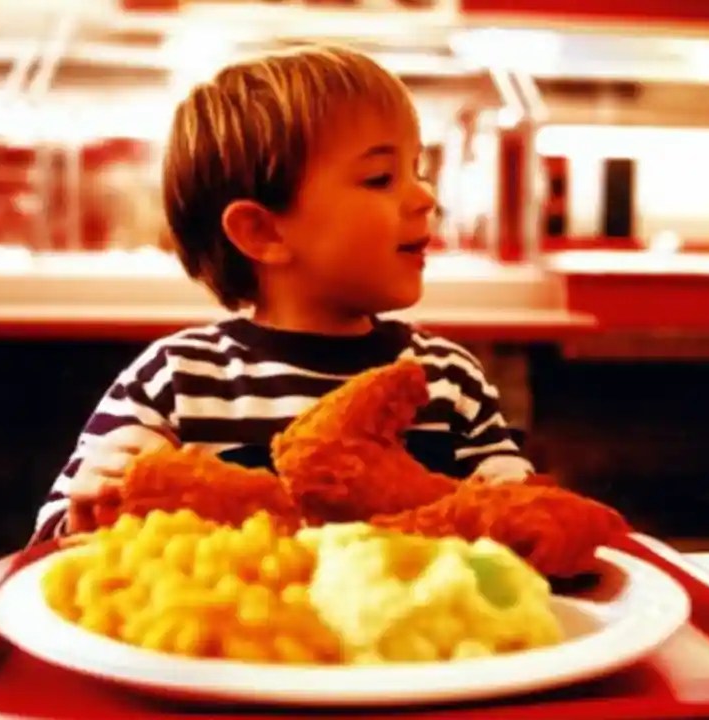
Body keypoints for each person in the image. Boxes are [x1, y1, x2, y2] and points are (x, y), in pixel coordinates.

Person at [35, 45, 533, 538]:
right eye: (381, 178)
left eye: (418, 170)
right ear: (263, 232)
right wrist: (89, 506)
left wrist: (515, 496)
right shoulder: (175, 380)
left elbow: (524, 524)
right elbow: (50, 544)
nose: (425, 196)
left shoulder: (447, 379)